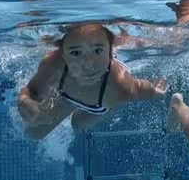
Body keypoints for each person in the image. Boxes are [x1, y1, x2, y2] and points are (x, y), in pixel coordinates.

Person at [18, 23, 170, 140]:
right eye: (76, 53)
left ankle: (89, 108)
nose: (88, 64)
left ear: (111, 51)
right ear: (62, 54)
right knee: (34, 134)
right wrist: (25, 102)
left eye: (97, 51)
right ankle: (67, 103)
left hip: (99, 105)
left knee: (77, 124)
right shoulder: (53, 65)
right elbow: (32, 90)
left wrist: (155, 92)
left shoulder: (119, 87)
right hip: (66, 94)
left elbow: (138, 88)